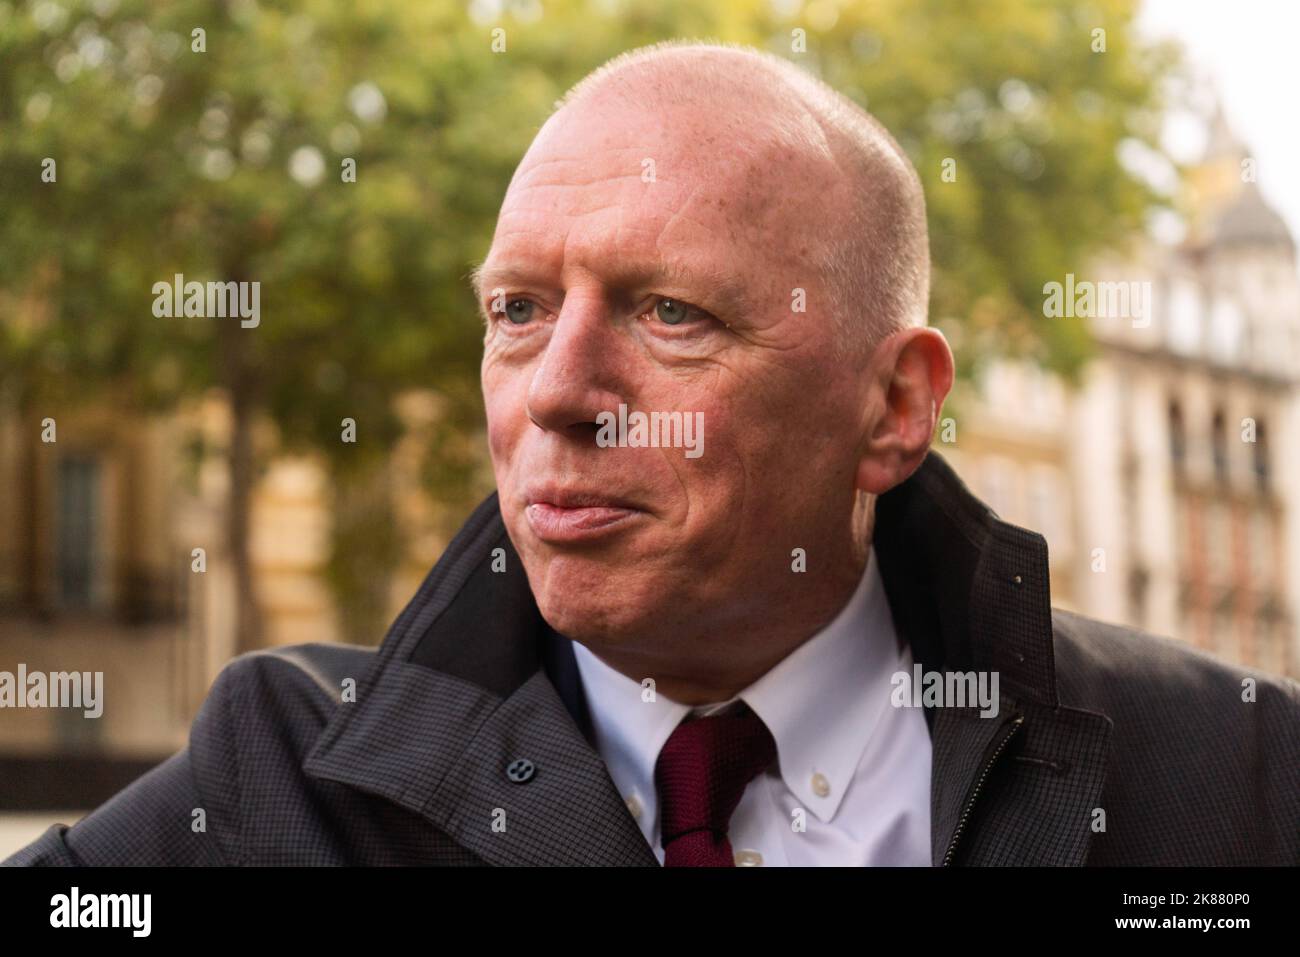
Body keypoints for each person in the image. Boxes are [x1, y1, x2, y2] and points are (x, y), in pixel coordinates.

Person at [6, 41, 1298, 867]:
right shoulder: (275, 787)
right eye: (516, 310)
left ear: (896, 404)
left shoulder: (1236, 780)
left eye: (669, 313)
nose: (554, 395)